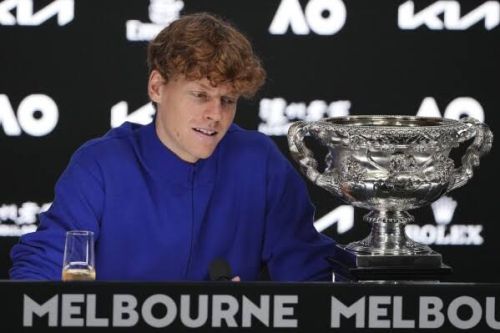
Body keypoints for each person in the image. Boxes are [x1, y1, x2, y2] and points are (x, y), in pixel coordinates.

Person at [9, 12, 336, 281]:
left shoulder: (260, 162)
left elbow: (310, 277)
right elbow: (41, 270)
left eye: (228, 100)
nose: (215, 115)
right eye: (200, 95)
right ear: (156, 87)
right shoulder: (100, 165)